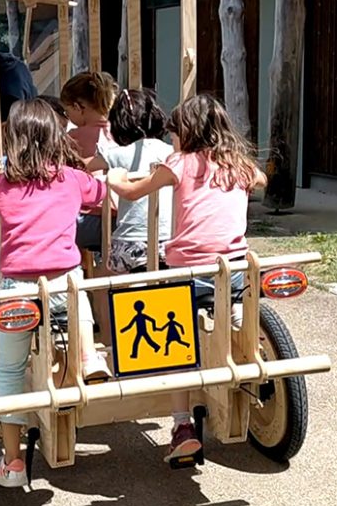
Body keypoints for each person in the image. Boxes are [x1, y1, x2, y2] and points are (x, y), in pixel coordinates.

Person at [0, 98, 112, 488]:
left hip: (19, 291)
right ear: (56, 137)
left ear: (14, 141)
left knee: (9, 370)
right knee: (78, 297)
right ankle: (88, 358)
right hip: (62, 284)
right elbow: (101, 195)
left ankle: (14, 461)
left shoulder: (2, 184)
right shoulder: (71, 179)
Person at [107, 94, 267, 463]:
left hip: (188, 270)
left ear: (187, 132)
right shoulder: (238, 163)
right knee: (237, 307)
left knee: (176, 344)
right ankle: (250, 345)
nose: (172, 138)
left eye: (175, 131)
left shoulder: (177, 161)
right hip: (233, 268)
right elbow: (260, 178)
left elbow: (133, 191)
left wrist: (115, 179)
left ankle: (182, 426)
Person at [86, 88, 174, 274]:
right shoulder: (171, 153)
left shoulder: (118, 154)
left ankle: (101, 304)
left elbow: (86, 166)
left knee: (102, 275)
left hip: (129, 245)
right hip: (169, 242)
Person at [60, 72, 118, 251]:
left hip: (89, 219)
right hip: (122, 218)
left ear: (78, 107)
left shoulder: (73, 138)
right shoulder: (121, 133)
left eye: (67, 111)